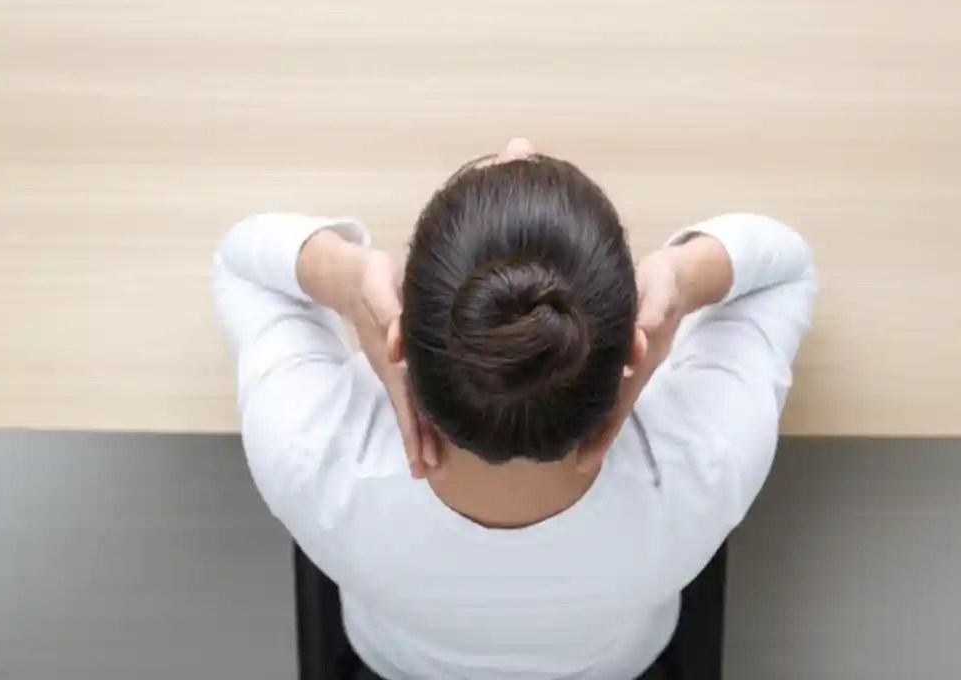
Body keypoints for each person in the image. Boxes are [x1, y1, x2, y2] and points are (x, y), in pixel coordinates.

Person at [211, 138, 817, 679]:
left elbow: (242, 259)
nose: (518, 141)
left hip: (394, 661)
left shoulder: (311, 456)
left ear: (398, 339)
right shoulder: (702, 463)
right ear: (634, 343)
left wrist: (348, 280)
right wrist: (680, 280)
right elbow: (784, 265)